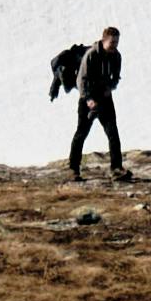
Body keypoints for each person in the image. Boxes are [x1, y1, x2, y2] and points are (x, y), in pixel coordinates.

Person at [57, 23, 129, 182]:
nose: (115, 45)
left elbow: (116, 76)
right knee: (81, 133)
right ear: (104, 41)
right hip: (88, 100)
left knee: (113, 133)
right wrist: (88, 99)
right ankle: (73, 169)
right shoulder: (90, 55)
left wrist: (111, 87)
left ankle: (116, 168)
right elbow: (80, 80)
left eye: (117, 42)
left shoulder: (116, 56)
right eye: (112, 42)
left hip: (105, 98)